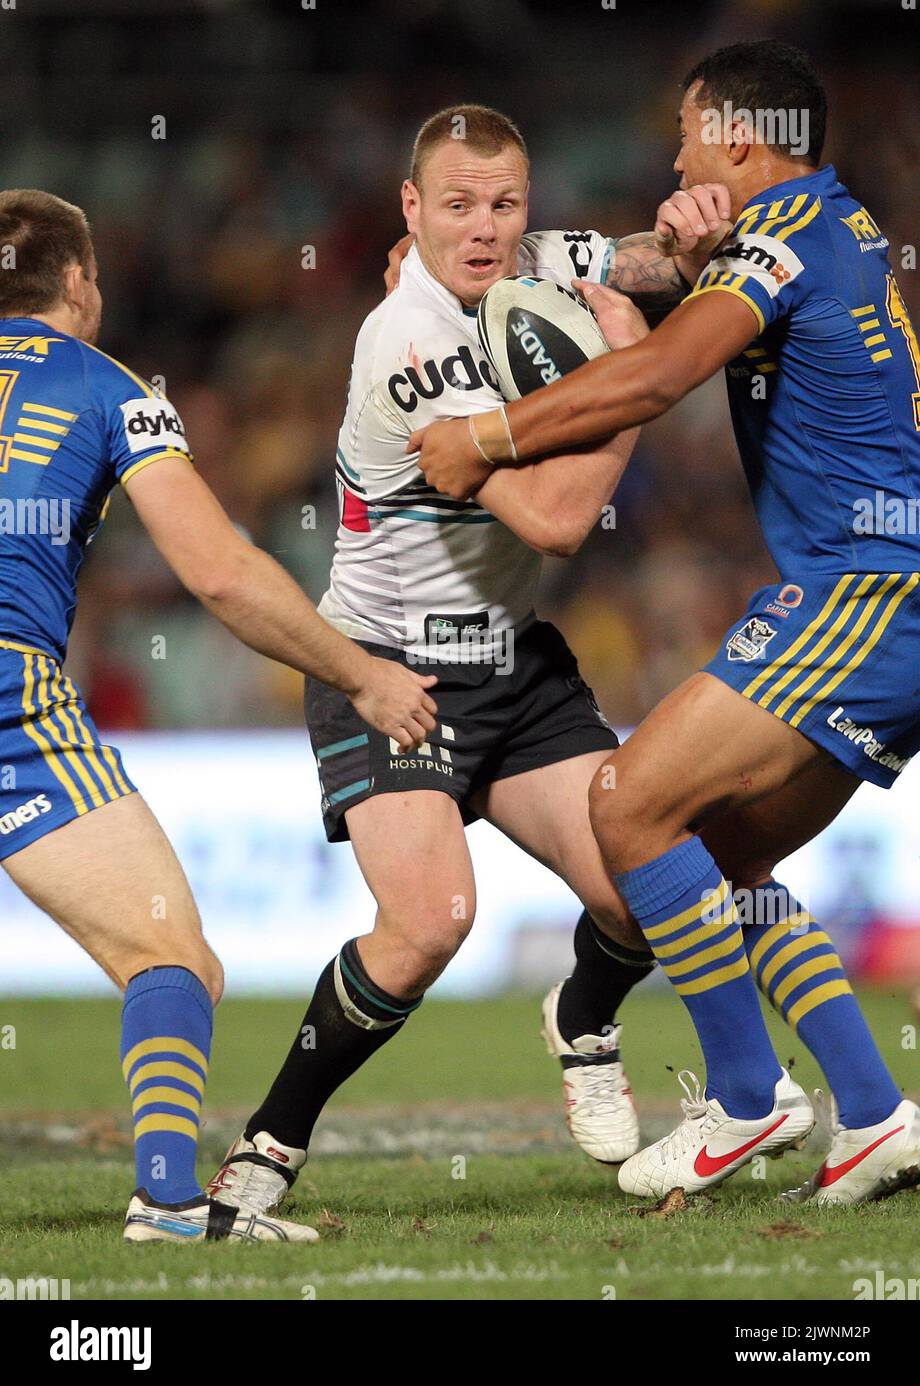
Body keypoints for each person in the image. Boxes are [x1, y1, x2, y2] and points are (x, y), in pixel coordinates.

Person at [413, 41, 920, 1205]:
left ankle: (743, 1102)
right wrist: (669, 252)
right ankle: (875, 1113)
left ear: (738, 135)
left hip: (864, 589)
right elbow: (655, 286)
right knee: (729, 857)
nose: (676, 148)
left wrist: (484, 438)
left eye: (689, 129)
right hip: (883, 597)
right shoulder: (821, 229)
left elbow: (653, 380)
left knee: (627, 803)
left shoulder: (783, 241)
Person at [0, 188, 437, 1243]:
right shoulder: (111, 391)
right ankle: (165, 1197)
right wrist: (363, 673)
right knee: (171, 960)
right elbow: (221, 572)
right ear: (77, 284)